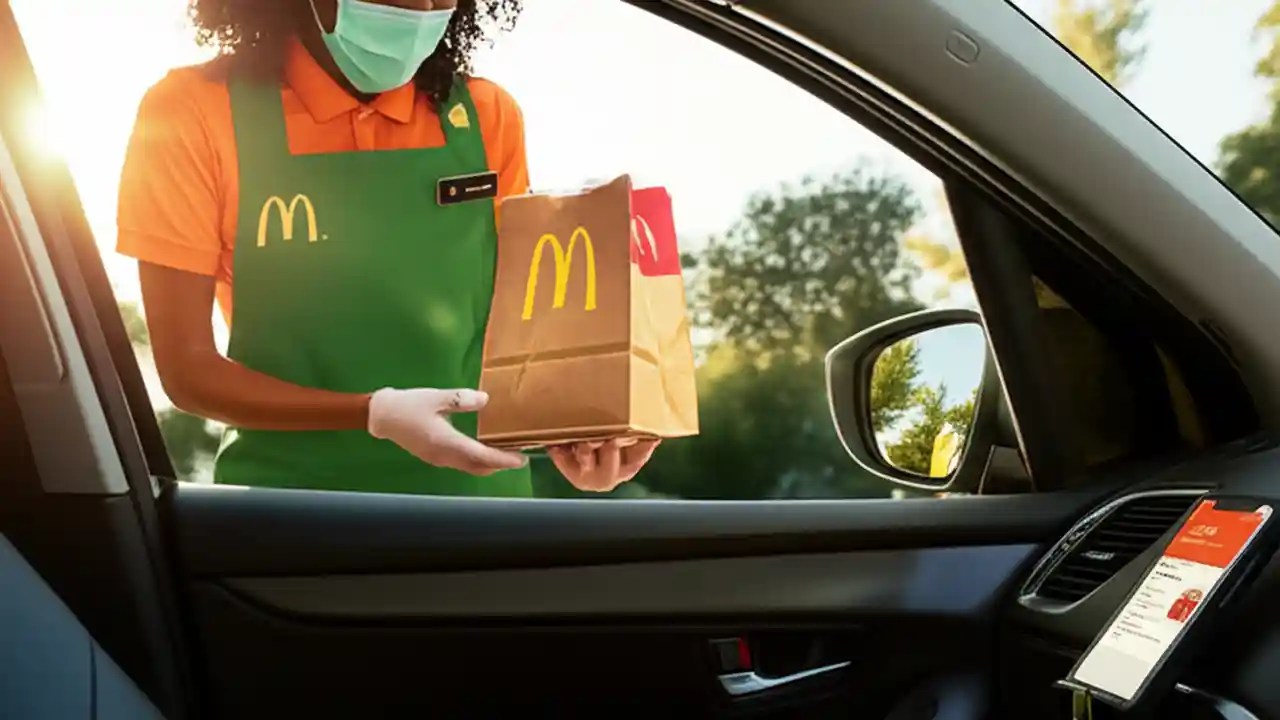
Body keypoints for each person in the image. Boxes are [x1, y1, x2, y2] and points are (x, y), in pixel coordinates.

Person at [117, 0, 659, 496]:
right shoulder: (192, 112)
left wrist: (585, 428)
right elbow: (186, 369)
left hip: (485, 513)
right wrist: (371, 413)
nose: (422, 9)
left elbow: (513, 335)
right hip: (290, 517)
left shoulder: (488, 117)